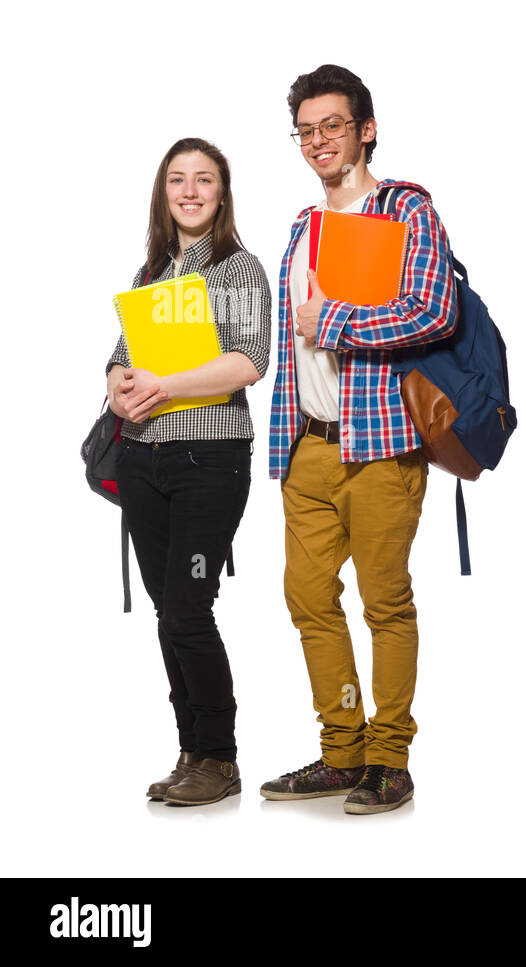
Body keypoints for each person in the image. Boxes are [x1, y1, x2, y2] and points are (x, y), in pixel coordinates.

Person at [259, 64, 457, 815]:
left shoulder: (405, 209)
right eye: (306, 130)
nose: (318, 141)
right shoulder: (301, 229)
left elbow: (432, 310)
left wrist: (336, 321)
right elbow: (293, 347)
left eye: (332, 125)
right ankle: (341, 750)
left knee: (385, 601)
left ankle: (390, 759)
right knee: (307, 597)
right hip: (306, 445)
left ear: (365, 129)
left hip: (379, 444)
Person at [106, 138, 272, 805]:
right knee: (164, 612)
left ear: (222, 193)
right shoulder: (152, 273)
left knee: (187, 610)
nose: (191, 190)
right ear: (163, 192)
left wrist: (166, 385)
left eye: (205, 180)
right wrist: (119, 383)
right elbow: (120, 357)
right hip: (143, 459)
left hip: (209, 460)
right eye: (178, 179)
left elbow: (251, 359)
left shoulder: (238, 269)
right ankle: (190, 748)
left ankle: (221, 757)